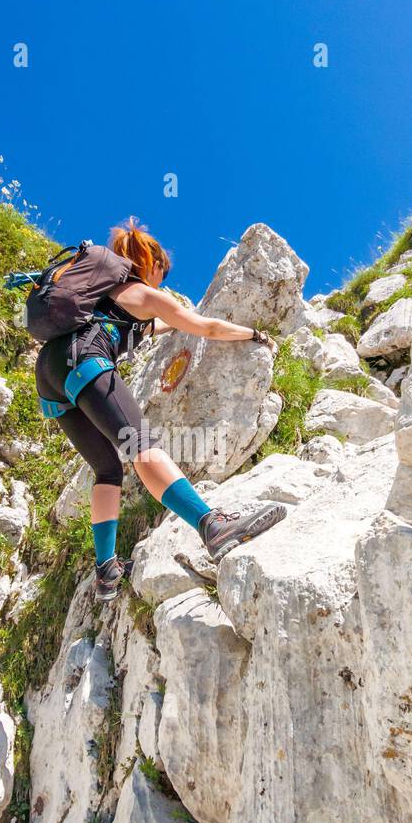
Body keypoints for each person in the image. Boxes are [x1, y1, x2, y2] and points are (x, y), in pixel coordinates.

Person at [35, 218, 288, 601]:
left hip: (51, 374)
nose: (162, 282)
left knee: (107, 468)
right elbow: (209, 329)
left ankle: (107, 571)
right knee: (140, 444)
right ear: (150, 264)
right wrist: (254, 334)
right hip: (83, 361)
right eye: (161, 273)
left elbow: (153, 328)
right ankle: (212, 526)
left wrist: (169, 321)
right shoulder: (142, 293)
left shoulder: (102, 297)